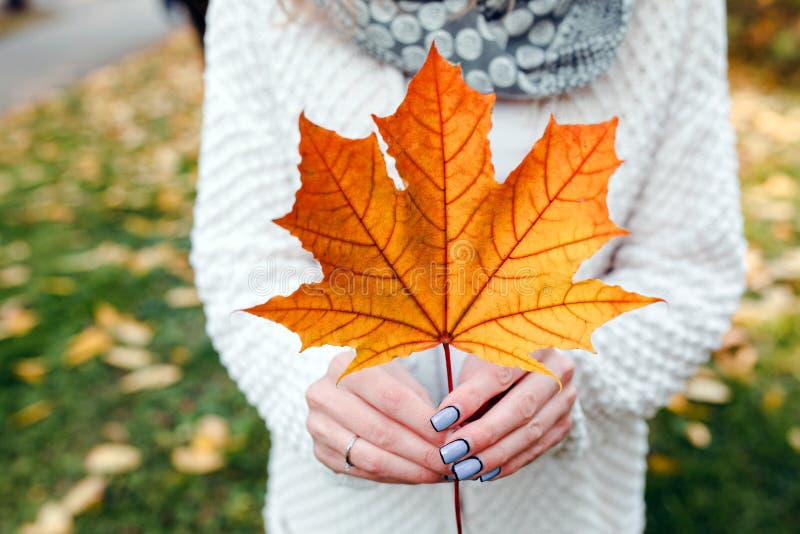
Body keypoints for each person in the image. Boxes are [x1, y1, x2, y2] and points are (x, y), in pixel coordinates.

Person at [190, 0, 746, 532]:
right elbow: (242, 257)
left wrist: (576, 376)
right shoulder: (261, 6)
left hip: (570, 513)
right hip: (338, 517)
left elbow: (690, 270)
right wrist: (311, 384)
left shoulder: (669, 8)